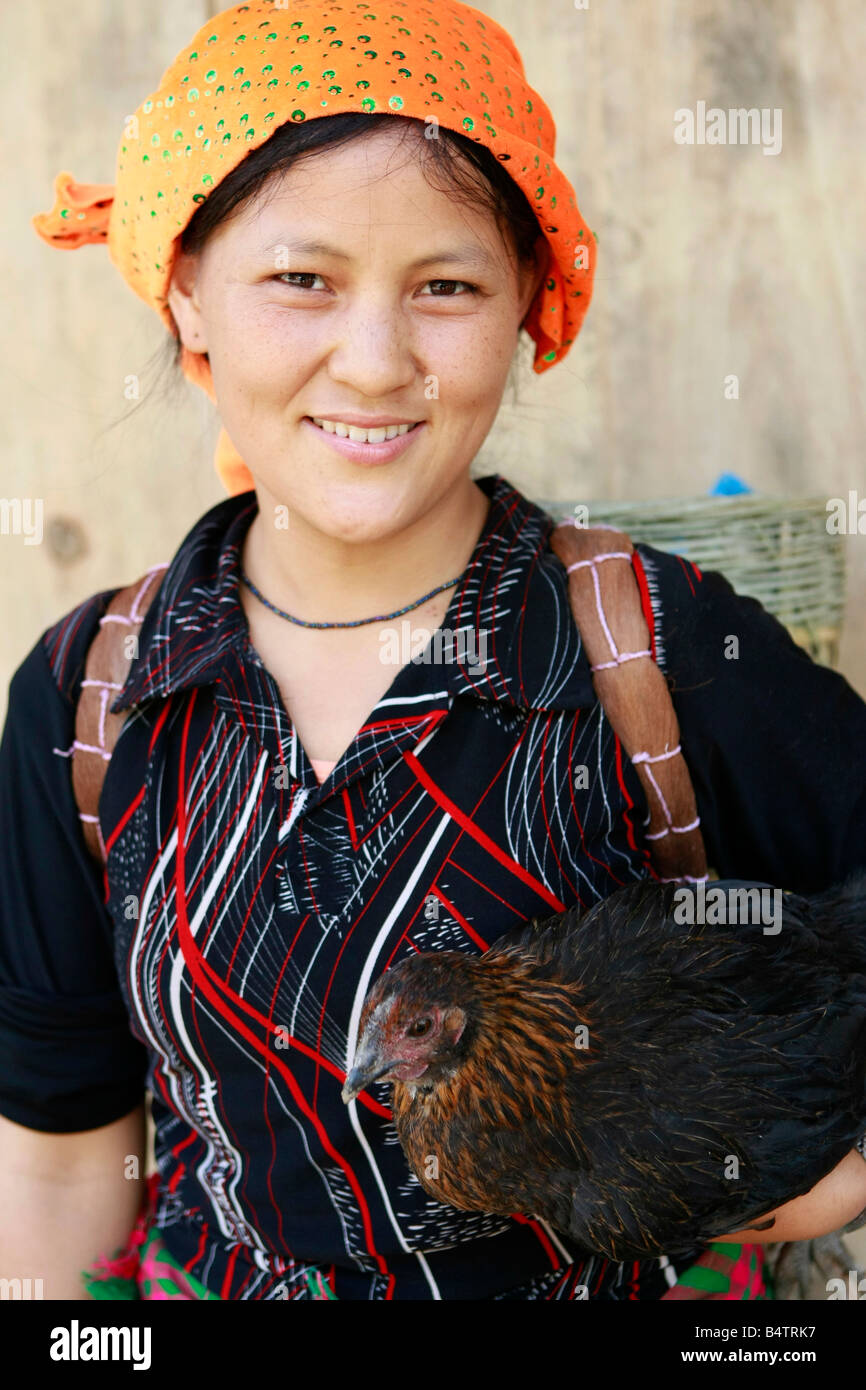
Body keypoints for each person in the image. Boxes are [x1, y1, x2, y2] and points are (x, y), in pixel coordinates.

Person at [2, 0, 865, 1301]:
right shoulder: (89, 696)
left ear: (525, 300)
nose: (373, 360)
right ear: (187, 296)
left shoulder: (659, 654)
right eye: (301, 278)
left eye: (445, 286)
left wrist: (829, 1177)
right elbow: (63, 1158)